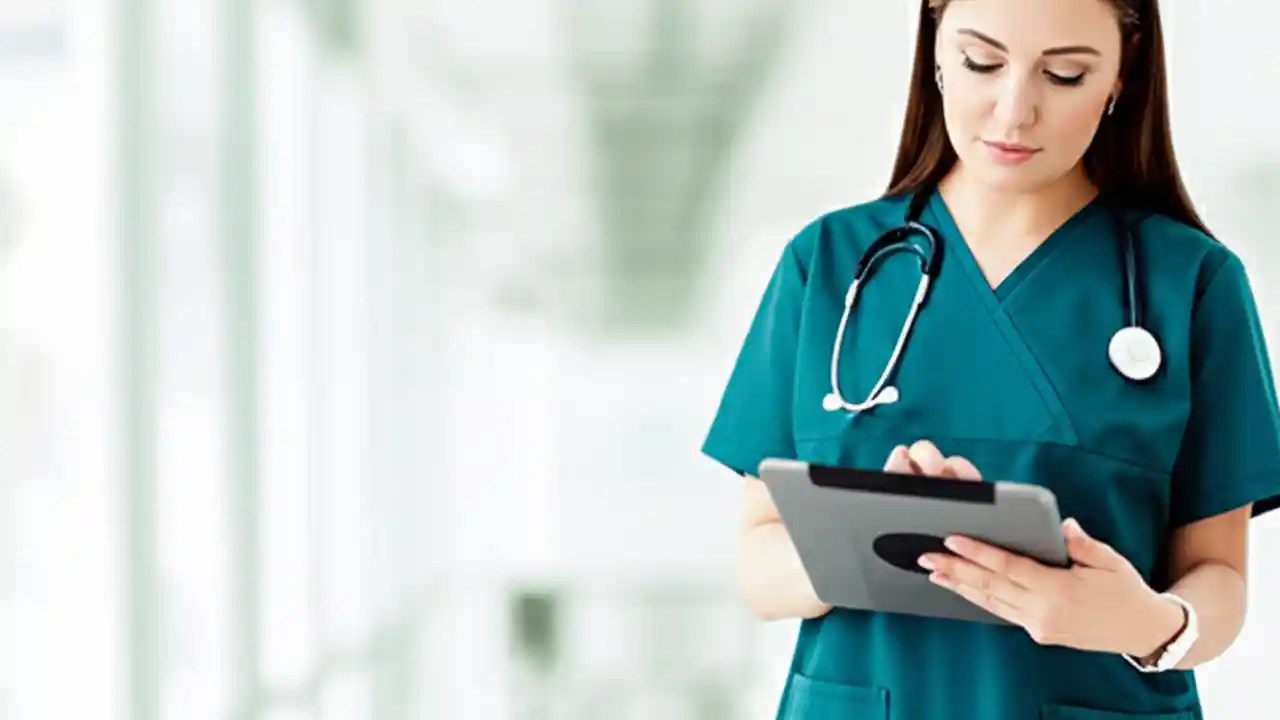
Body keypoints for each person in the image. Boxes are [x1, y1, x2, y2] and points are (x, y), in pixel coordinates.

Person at [700, 1, 1280, 718]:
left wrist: (1143, 624)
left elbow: (1220, 577)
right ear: (936, 51)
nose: (1014, 111)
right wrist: (873, 536)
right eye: (982, 62)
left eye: (1063, 75)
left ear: (1121, 74)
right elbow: (759, 566)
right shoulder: (826, 263)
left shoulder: (1189, 284)